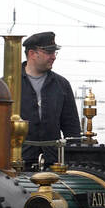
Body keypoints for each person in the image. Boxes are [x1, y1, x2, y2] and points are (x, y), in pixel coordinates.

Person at [20, 31, 81, 168]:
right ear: (32, 54)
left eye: (54, 52)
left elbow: (72, 129)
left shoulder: (62, 85)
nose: (53, 57)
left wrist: (75, 162)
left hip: (53, 163)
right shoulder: (9, 84)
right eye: (49, 52)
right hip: (18, 162)